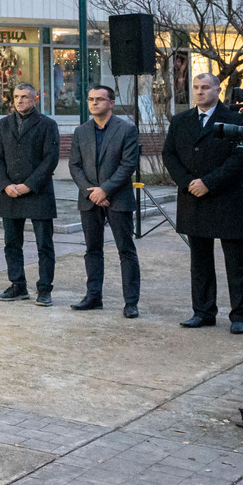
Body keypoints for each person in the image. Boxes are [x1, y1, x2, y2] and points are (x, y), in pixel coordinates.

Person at [165, 73, 243, 333]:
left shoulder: (237, 120)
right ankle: (203, 312)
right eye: (196, 87)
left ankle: (241, 316)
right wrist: (187, 183)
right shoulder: (180, 120)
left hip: (226, 198)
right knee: (200, 261)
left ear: (218, 90)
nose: (199, 92)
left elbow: (241, 159)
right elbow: (169, 154)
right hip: (193, 198)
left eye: (205, 87)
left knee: (237, 261)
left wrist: (209, 182)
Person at [69, 84, 143, 317]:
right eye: (91, 99)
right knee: (92, 250)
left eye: (99, 99)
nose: (94, 103)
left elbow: (128, 165)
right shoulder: (81, 131)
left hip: (117, 198)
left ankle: (130, 302)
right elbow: (75, 165)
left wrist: (105, 190)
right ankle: (93, 297)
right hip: (89, 199)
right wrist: (92, 192)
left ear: (111, 103)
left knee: (126, 251)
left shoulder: (127, 129)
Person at [0, 83, 61, 306]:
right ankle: (17, 285)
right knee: (12, 243)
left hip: (38, 192)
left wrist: (29, 185)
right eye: (16, 97)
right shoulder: (3, 124)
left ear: (34, 99)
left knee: (44, 245)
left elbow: (50, 159)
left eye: (24, 97)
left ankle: (45, 289)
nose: (19, 100)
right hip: (10, 193)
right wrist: (5, 184)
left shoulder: (48, 124)